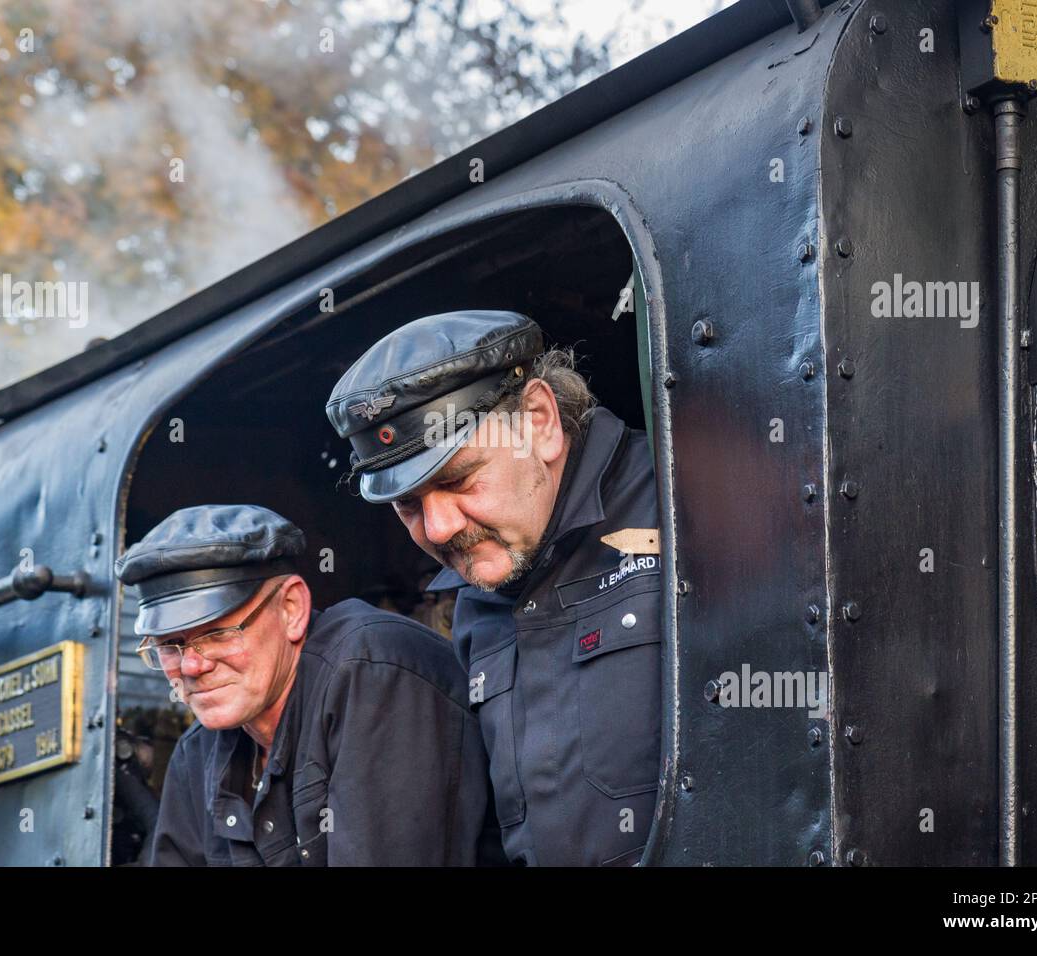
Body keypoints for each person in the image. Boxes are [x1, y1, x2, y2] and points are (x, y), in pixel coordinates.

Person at [326, 309, 661, 866]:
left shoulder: (686, 503)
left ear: (539, 420)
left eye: (458, 479)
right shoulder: (477, 602)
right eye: (407, 506)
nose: (438, 529)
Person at [115, 503, 489, 865]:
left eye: (218, 633)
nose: (192, 665)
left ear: (291, 609)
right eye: (169, 645)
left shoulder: (375, 675)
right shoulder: (197, 754)